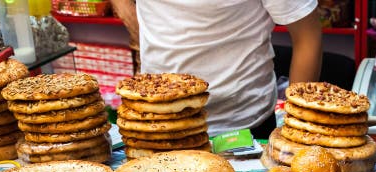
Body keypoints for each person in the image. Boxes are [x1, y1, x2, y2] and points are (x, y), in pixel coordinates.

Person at [109, 0, 322, 138]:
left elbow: (308, 37)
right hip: (159, 122)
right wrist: (129, 14)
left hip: (244, 125)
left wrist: (295, 127)